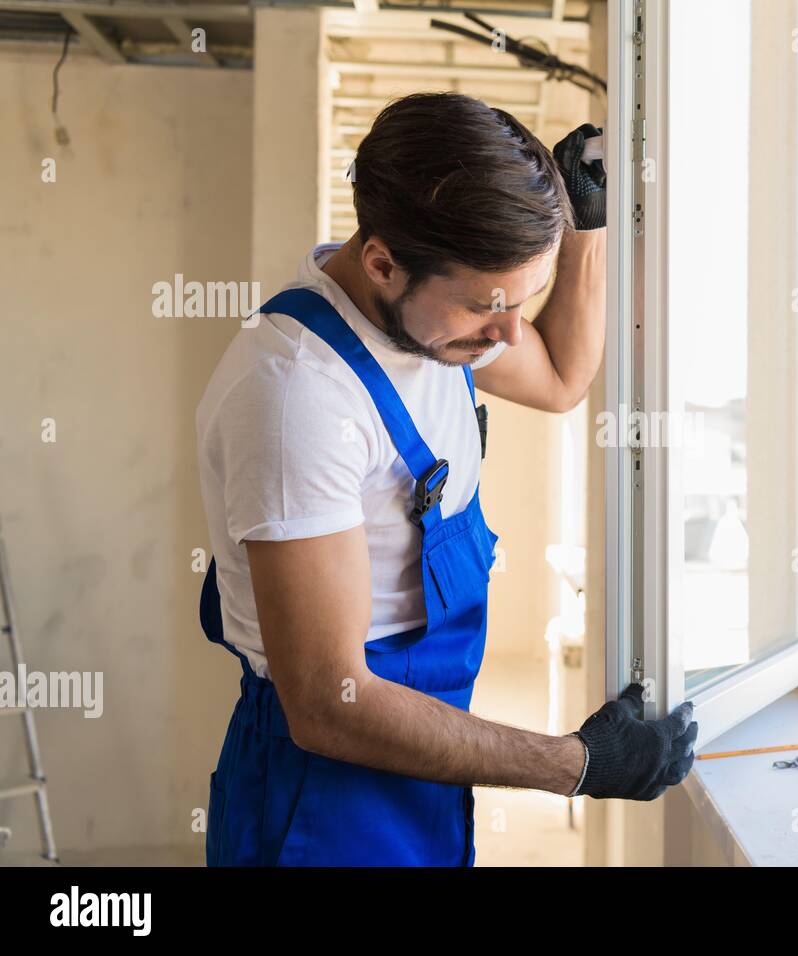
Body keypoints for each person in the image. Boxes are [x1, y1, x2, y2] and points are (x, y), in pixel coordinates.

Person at [195, 92, 696, 866]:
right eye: (486, 310)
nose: (506, 337)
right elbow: (330, 706)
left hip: (419, 759)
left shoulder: (433, 314)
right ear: (383, 263)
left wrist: (587, 228)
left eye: (520, 303)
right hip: (321, 798)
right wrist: (578, 763)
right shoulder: (297, 399)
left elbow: (562, 378)